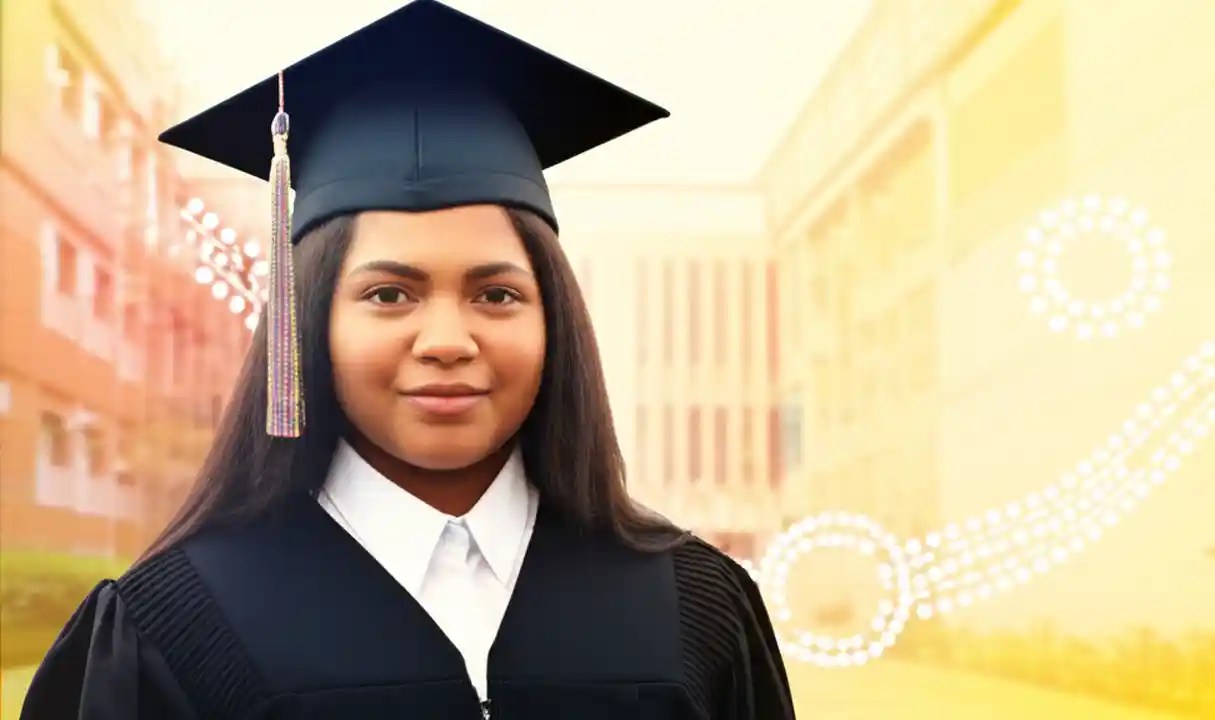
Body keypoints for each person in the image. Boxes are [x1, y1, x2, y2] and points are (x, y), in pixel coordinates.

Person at [19, 1, 795, 718]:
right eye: (389, 295)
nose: (448, 339)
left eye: (497, 295)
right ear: (309, 319)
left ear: (555, 319)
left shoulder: (692, 609)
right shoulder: (176, 624)